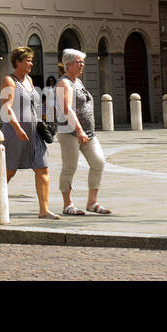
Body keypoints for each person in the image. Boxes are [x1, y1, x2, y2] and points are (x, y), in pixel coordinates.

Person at [0, 47, 58, 219]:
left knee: (42, 169)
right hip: (15, 133)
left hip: (34, 133)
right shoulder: (9, 81)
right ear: (18, 62)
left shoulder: (29, 80)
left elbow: (34, 105)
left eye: (32, 60)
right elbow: (6, 108)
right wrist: (18, 128)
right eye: (28, 60)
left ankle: (44, 210)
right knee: (9, 171)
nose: (32, 63)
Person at [56, 49, 110, 216]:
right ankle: (68, 204)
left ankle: (92, 202)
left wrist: (85, 130)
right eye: (78, 62)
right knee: (69, 166)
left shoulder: (78, 81)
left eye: (82, 62)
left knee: (98, 162)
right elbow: (66, 109)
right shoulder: (63, 83)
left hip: (88, 132)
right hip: (69, 132)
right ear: (68, 64)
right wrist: (79, 130)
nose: (82, 65)